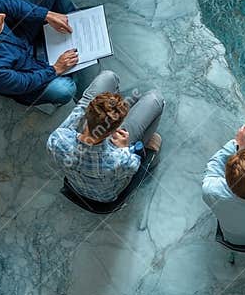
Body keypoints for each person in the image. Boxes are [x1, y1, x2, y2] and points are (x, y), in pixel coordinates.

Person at [46, 70, 164, 204]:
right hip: (107, 196)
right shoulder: (120, 160)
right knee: (156, 99)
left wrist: (89, 107)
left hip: (75, 184)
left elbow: (77, 114)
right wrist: (124, 148)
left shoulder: (57, 139)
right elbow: (134, 164)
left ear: (87, 114)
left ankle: (104, 113)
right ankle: (150, 150)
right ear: (113, 131)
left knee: (108, 76)